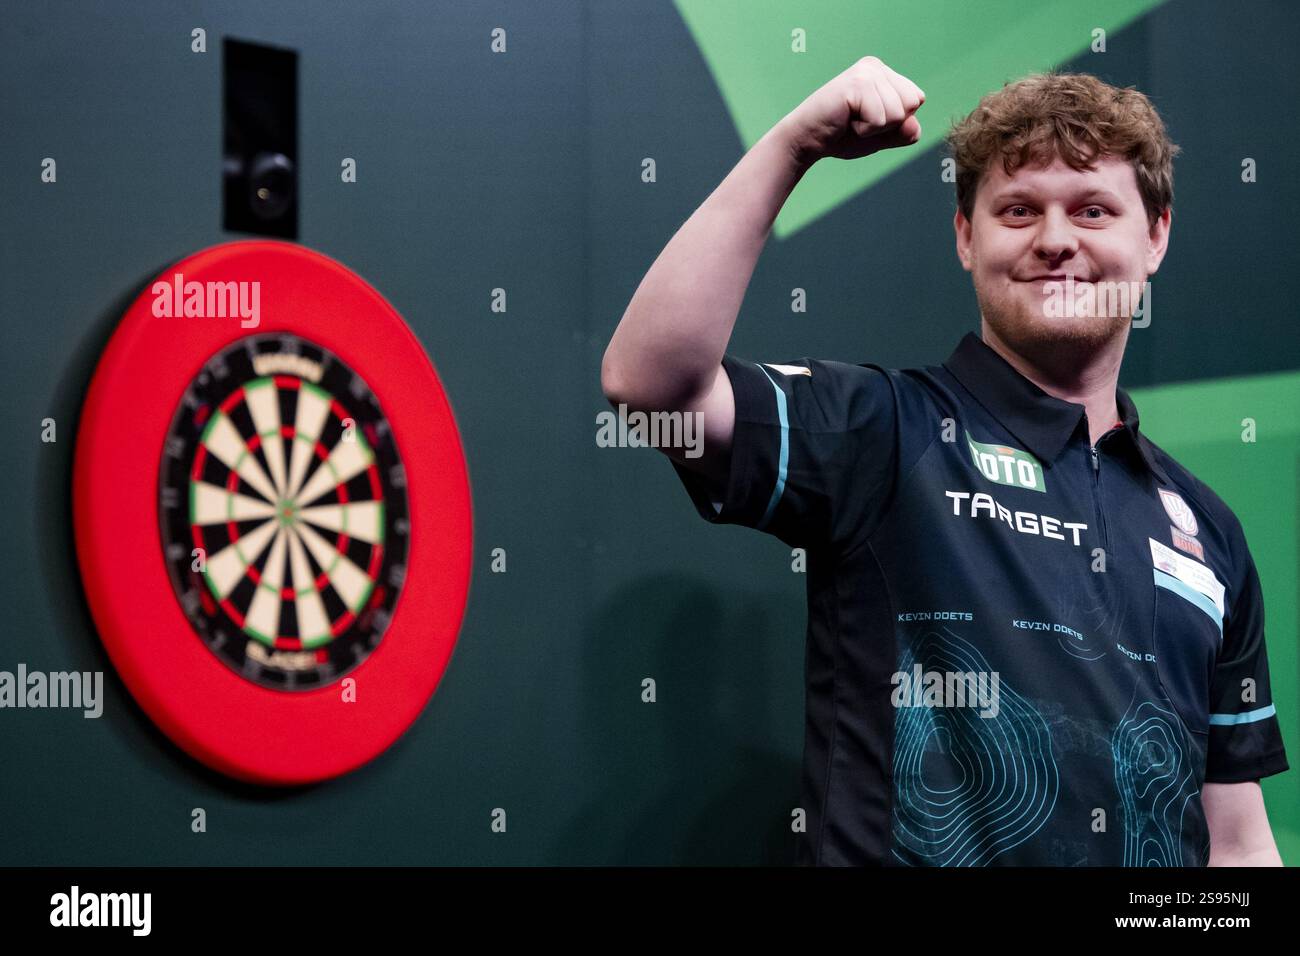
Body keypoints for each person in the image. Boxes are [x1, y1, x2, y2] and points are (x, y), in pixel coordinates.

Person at [601, 57, 1289, 866]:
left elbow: (1239, 842)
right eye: (1019, 210)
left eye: (1094, 210)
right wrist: (794, 145)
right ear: (966, 236)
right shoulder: (882, 430)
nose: (1056, 240)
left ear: (1157, 237)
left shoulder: (1210, 532)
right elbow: (648, 388)